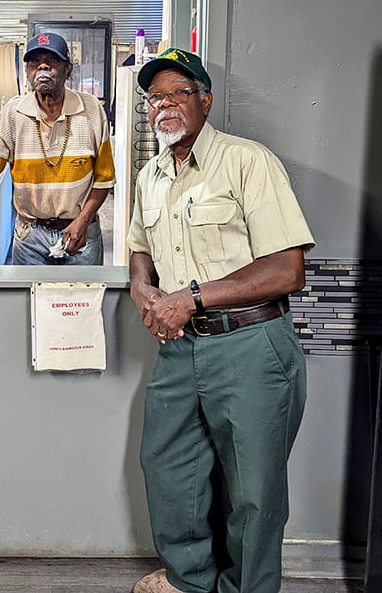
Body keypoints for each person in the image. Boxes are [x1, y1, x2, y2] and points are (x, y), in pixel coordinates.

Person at [127, 48, 314, 593]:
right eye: (154, 97)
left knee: (254, 494)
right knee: (169, 473)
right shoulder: (151, 176)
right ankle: (190, 583)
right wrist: (143, 289)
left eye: (178, 94)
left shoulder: (247, 161)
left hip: (251, 345)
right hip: (181, 350)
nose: (164, 105)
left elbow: (287, 270)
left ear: (205, 101)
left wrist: (190, 296)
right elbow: (141, 249)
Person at [0, 31, 116, 266]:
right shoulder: (13, 115)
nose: (43, 66)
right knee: (29, 302)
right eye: (35, 62)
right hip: (30, 236)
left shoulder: (91, 111)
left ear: (68, 69)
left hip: (81, 233)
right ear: (27, 71)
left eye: (52, 60)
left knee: (83, 301)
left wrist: (83, 220)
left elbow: (103, 180)